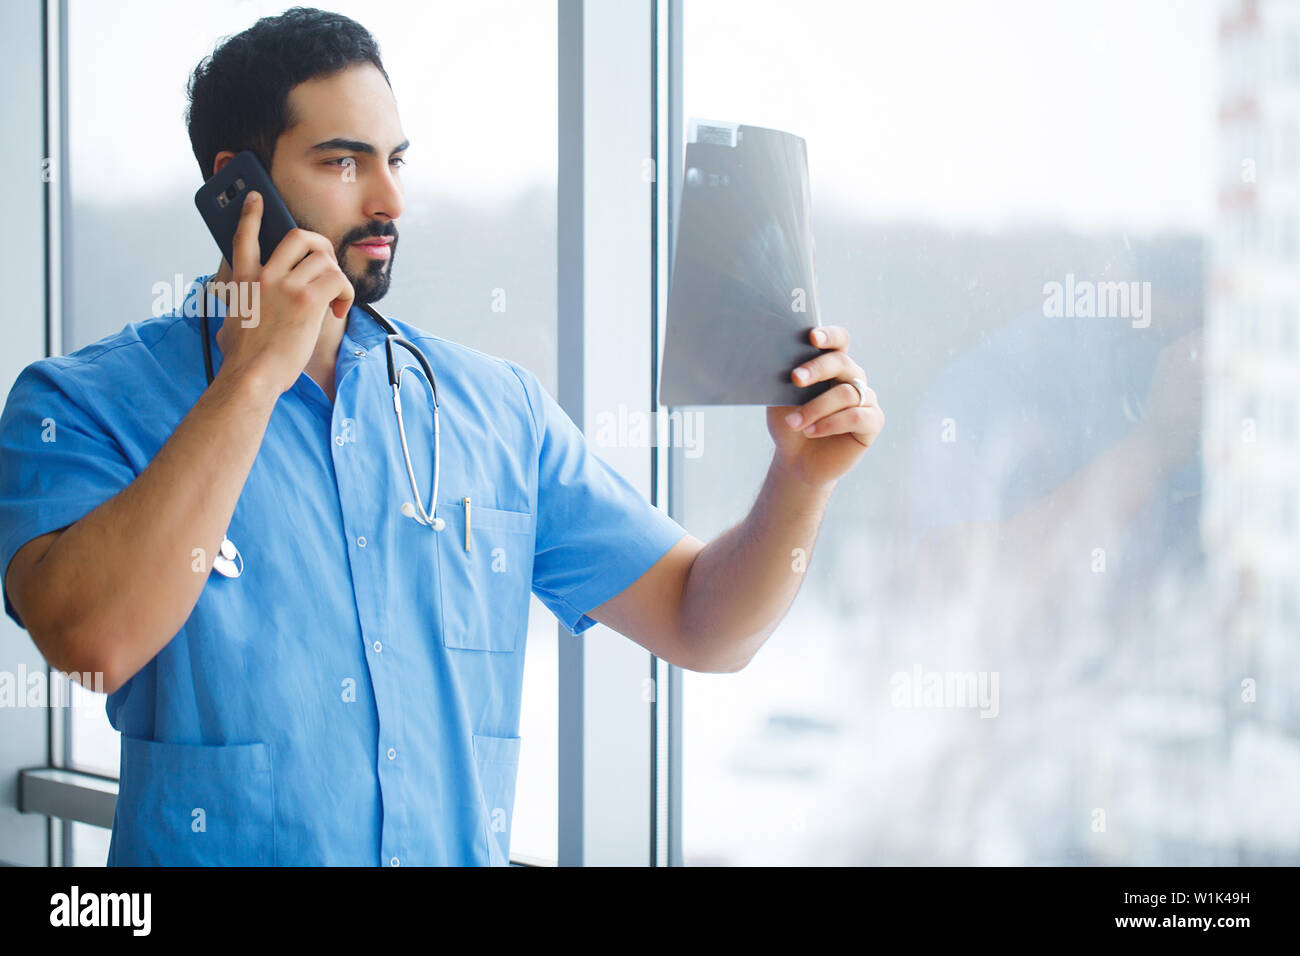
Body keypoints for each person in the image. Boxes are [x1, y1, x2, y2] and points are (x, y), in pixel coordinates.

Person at [0, 7, 883, 866]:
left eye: (395, 160)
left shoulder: (494, 410)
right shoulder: (80, 404)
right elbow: (91, 644)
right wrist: (252, 376)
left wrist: (800, 481)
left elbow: (705, 626)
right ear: (240, 187)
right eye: (343, 162)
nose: (389, 199)